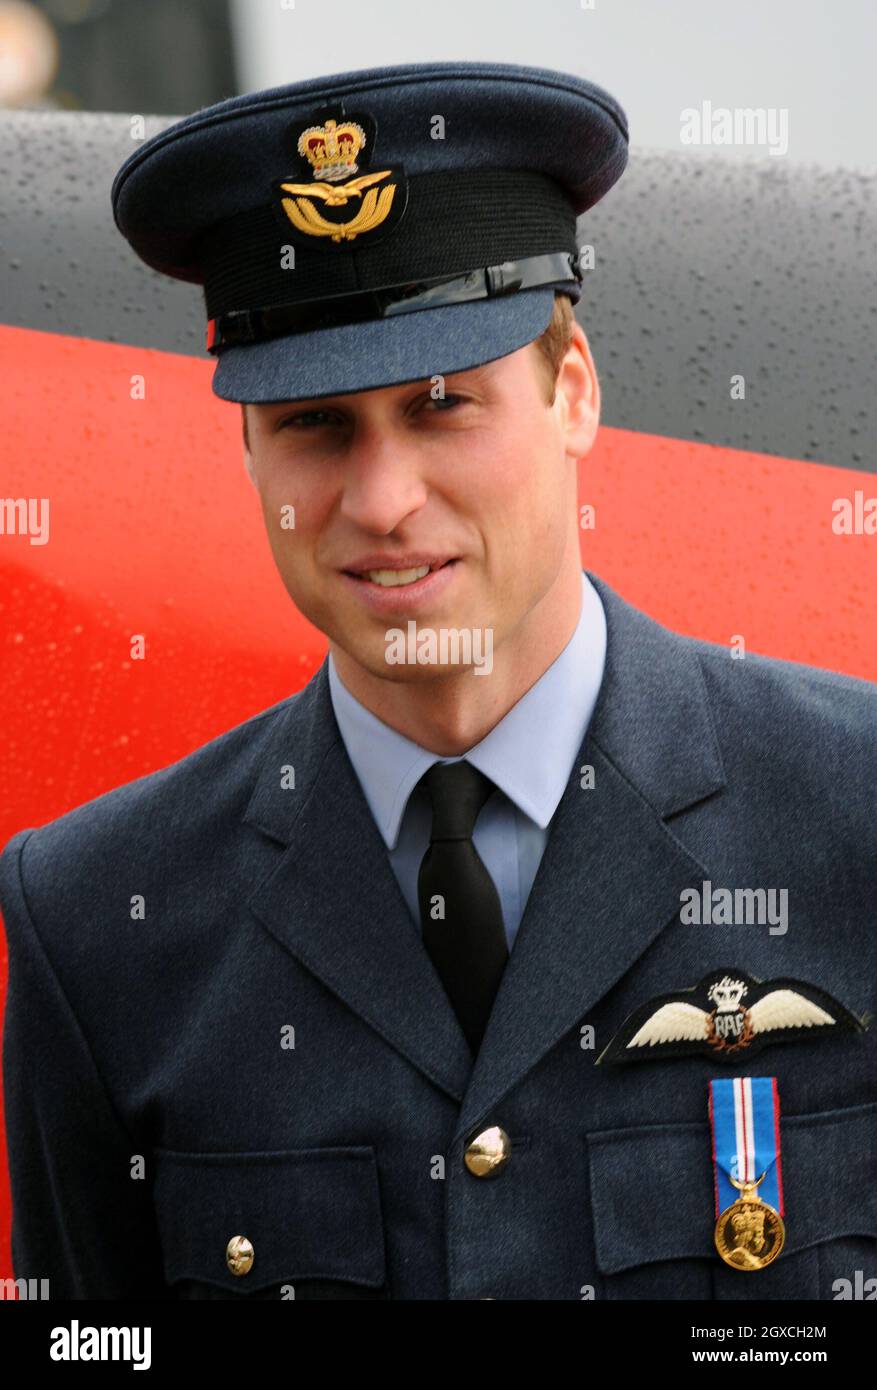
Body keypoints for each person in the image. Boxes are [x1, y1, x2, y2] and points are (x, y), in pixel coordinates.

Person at [0, 61, 874, 1302]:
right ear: (246, 446)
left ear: (572, 388)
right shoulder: (100, 923)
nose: (381, 501)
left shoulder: (854, 815)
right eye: (313, 423)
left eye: (442, 403)